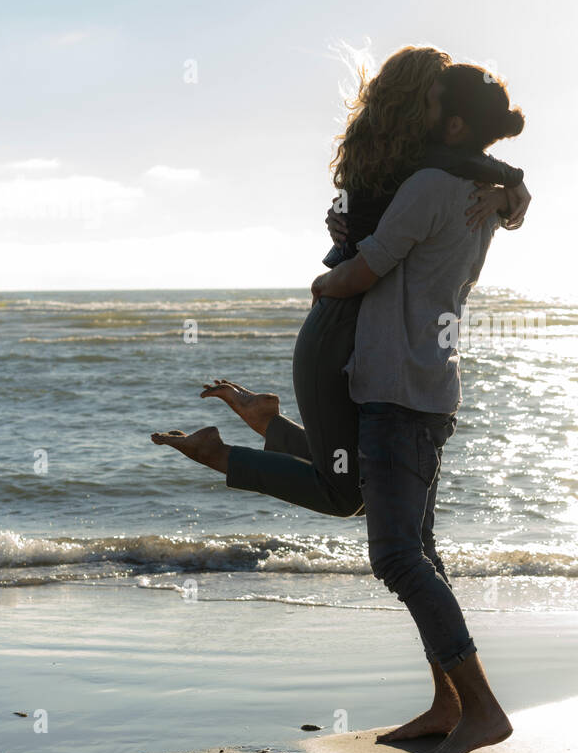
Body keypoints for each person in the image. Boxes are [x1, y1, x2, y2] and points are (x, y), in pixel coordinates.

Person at [152, 46, 530, 519]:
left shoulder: (389, 153)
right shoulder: (416, 165)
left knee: (352, 475)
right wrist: (511, 183)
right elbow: (463, 167)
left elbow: (456, 175)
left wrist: (507, 196)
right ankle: (219, 454)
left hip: (354, 323)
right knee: (346, 492)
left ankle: (267, 424)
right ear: (416, 102)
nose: (442, 110)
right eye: (436, 97)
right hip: (339, 322)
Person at [307, 63, 521, 753]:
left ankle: (482, 706)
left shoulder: (432, 186)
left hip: (397, 389)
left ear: (453, 124)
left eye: (436, 104)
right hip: (428, 387)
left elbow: (369, 266)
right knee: (419, 551)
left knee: (397, 556)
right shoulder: (480, 193)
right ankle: (449, 703)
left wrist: (322, 281)